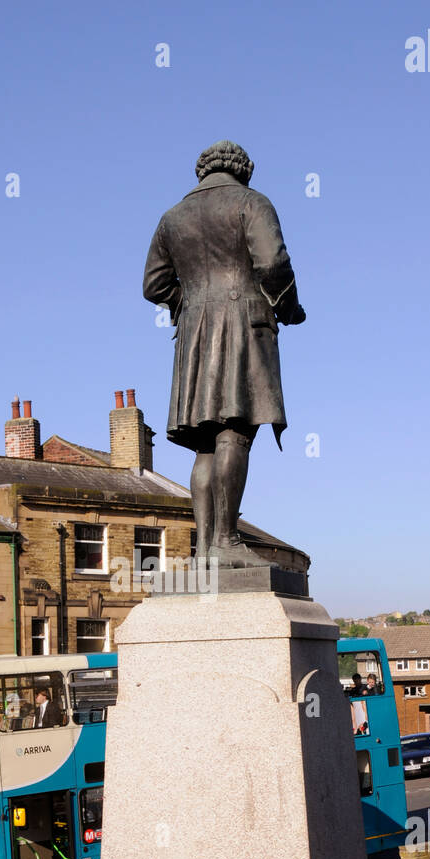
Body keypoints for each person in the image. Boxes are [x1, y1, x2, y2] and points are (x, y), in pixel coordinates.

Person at [143, 141, 305, 566]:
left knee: (205, 445)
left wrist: (193, 302)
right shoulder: (252, 202)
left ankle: (207, 550)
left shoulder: (172, 217)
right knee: (235, 428)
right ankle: (227, 542)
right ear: (243, 169)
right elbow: (272, 264)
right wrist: (288, 308)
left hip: (195, 334)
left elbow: (153, 285)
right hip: (242, 325)